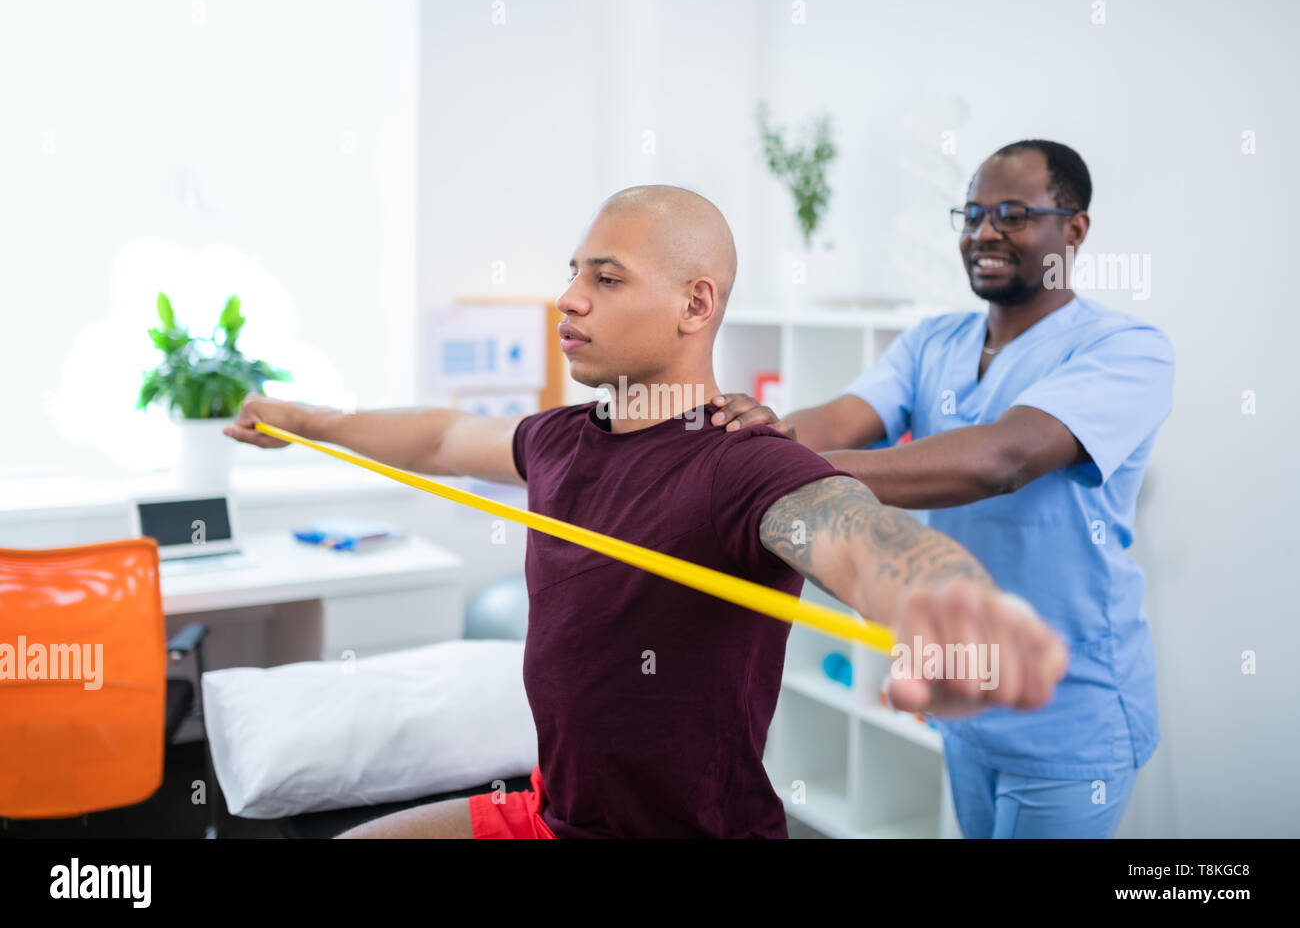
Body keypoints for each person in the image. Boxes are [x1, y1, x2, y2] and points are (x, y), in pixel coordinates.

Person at [224, 184, 1067, 839]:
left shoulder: (742, 461)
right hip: (557, 815)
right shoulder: (558, 439)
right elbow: (443, 436)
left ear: (695, 306)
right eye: (574, 273)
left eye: (607, 278)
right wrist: (304, 423)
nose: (570, 299)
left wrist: (942, 599)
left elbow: (854, 534)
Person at [713, 141, 1175, 838]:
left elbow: (1002, 458)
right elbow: (842, 418)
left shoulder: (1126, 348)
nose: (984, 232)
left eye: (1012, 214)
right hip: (963, 696)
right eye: (972, 213)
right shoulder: (934, 342)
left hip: (1070, 716)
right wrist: (763, 434)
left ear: (1074, 229)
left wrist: (788, 469)